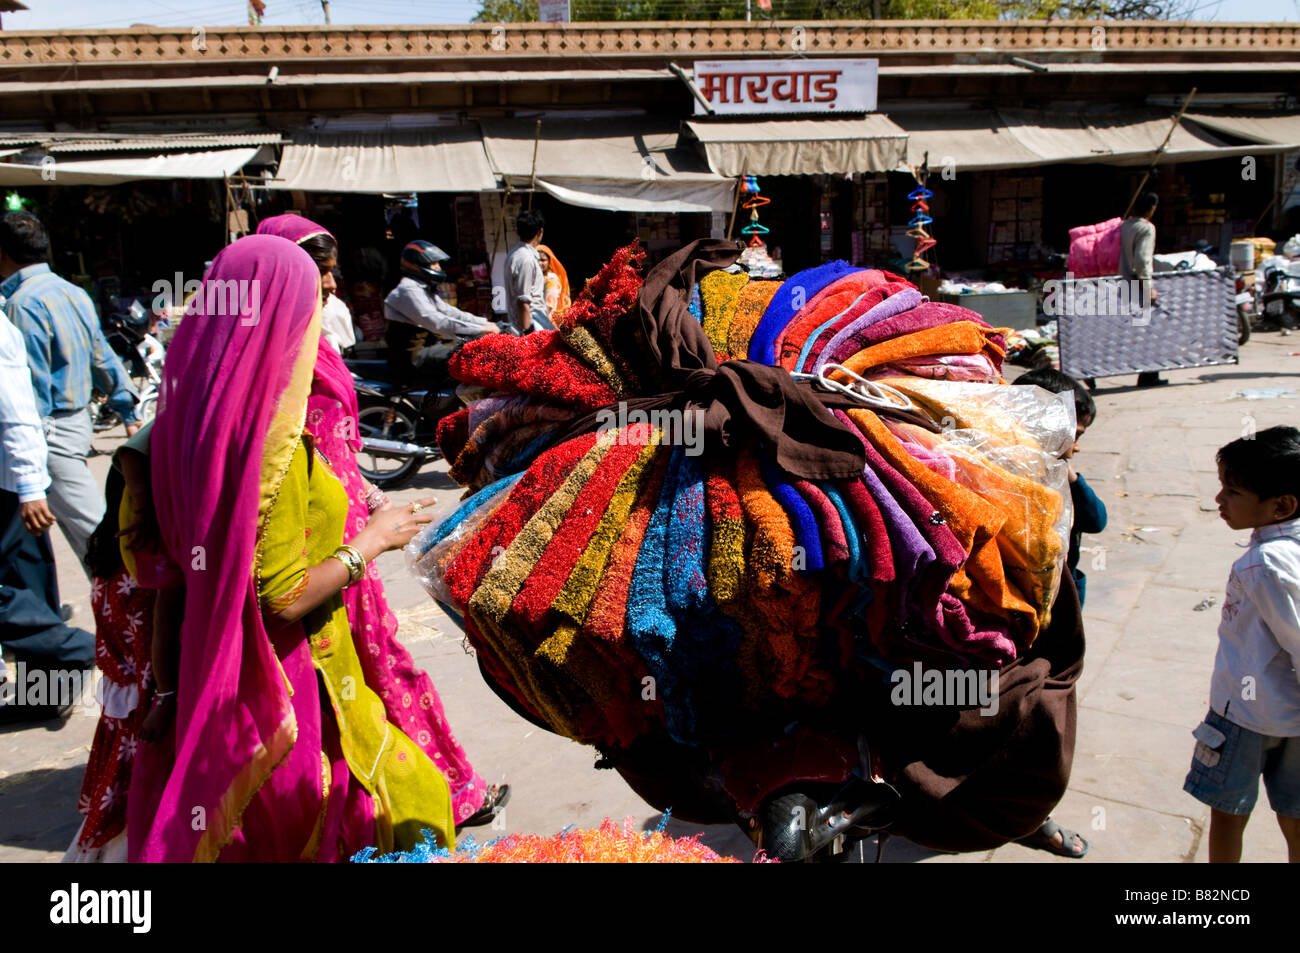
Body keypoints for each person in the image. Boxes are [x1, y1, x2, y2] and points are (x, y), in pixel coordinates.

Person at [126, 235, 460, 862]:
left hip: (208, 666)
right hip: (285, 681)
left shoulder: (174, 430)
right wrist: (372, 541)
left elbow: (167, 576)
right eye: (311, 299)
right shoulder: (270, 451)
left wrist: (169, 694)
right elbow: (282, 597)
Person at [258, 214, 508, 829]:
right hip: (319, 545)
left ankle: (427, 790)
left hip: (350, 526)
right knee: (375, 666)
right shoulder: (274, 360)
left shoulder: (312, 339)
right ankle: (441, 794)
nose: (332, 285)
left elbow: (333, 448)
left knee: (375, 665)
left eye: (331, 272)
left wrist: (366, 490)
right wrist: (361, 540)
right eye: (318, 274)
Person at [0, 211, 141, 572]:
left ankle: (127, 611)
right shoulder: (71, 291)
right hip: (75, 424)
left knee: (98, 542)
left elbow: (28, 391)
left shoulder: (20, 305)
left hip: (50, 433)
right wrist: (127, 408)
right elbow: (103, 357)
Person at [1184, 427, 1300, 863]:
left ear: (1281, 505)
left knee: (1228, 811)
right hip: (1291, 716)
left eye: (1232, 491)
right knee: (1295, 814)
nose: (1219, 500)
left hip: (1244, 712)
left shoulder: (1264, 564)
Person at [1011, 367, 1106, 858]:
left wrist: (1072, 476)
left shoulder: (1062, 473)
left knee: (1049, 706)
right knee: (1022, 710)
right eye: (1070, 435)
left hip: (1062, 615)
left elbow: (1097, 520)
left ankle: (1029, 811)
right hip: (1018, 620)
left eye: (1080, 438)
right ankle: (1024, 811)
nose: (1074, 445)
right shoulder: (1001, 469)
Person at [0, 306, 94, 723]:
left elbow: (16, 408)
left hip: (14, 482)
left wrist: (29, 485)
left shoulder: (14, 312)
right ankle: (47, 690)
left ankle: (78, 648)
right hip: (18, 480)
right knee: (28, 584)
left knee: (25, 585)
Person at [384, 239, 497, 386]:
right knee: (471, 356)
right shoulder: (408, 290)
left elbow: (450, 312)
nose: (438, 267)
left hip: (427, 348)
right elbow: (438, 322)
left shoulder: (422, 288)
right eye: (433, 264)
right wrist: (483, 329)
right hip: (412, 356)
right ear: (417, 266)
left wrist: (487, 324)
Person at [1120, 192, 1166, 388]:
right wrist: (1148, 289)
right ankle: (1148, 375)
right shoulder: (1146, 228)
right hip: (1137, 286)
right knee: (1149, 332)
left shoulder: (1123, 226)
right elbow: (1142, 261)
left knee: (1128, 331)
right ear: (1151, 208)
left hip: (1120, 282)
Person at [506, 209, 550, 333]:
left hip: (530, 323)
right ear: (540, 231)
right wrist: (528, 334)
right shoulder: (526, 259)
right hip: (532, 326)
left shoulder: (515, 254)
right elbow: (523, 301)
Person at [537, 243, 571, 321]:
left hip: (547, 321)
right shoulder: (540, 278)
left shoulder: (551, 281)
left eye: (543, 260)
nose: (539, 263)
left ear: (549, 261)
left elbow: (549, 306)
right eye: (537, 260)